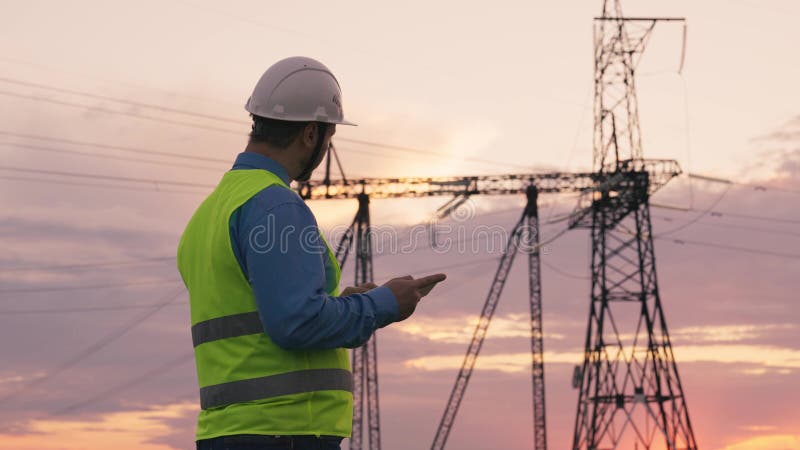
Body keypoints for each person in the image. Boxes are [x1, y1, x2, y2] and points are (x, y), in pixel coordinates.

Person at [177, 56, 446, 450]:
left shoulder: (208, 215)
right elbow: (296, 324)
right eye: (328, 136)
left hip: (228, 433)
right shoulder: (276, 207)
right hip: (284, 431)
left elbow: (263, 316)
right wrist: (384, 303)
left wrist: (344, 304)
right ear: (310, 134)